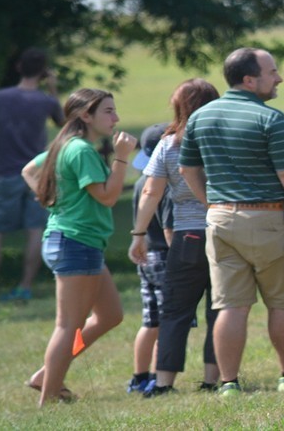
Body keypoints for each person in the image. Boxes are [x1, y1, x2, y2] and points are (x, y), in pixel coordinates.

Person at [179, 48, 284, 397]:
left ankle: (229, 383)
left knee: (230, 305)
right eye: (272, 71)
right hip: (269, 218)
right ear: (249, 79)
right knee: (282, 302)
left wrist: (211, 204)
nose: (279, 78)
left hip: (219, 220)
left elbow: (188, 169)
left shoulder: (200, 117)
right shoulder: (270, 119)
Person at [20, 88, 138, 406]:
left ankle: (47, 375)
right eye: (108, 111)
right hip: (75, 243)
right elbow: (108, 197)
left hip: (77, 242)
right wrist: (123, 157)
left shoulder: (65, 146)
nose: (116, 118)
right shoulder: (82, 150)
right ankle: (48, 399)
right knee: (68, 325)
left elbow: (29, 169)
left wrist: (49, 197)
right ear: (86, 115)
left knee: (110, 315)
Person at [131, 80, 222, 397]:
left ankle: (164, 382)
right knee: (220, 308)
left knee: (175, 311)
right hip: (225, 229)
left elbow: (150, 190)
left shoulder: (168, 144)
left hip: (187, 234)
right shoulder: (222, 140)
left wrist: (139, 233)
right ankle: (214, 379)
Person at [0, 48, 64, 302]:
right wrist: (53, 89)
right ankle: (25, 286)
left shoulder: (0, 98)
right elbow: (64, 125)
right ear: (44, 71)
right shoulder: (45, 101)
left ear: (18, 68)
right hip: (37, 173)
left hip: (3, 173)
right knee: (36, 230)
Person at [126, 123, 174, 395]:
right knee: (168, 322)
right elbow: (168, 226)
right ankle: (159, 377)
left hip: (146, 257)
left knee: (150, 321)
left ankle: (139, 377)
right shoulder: (163, 185)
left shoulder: (140, 183)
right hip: (165, 257)